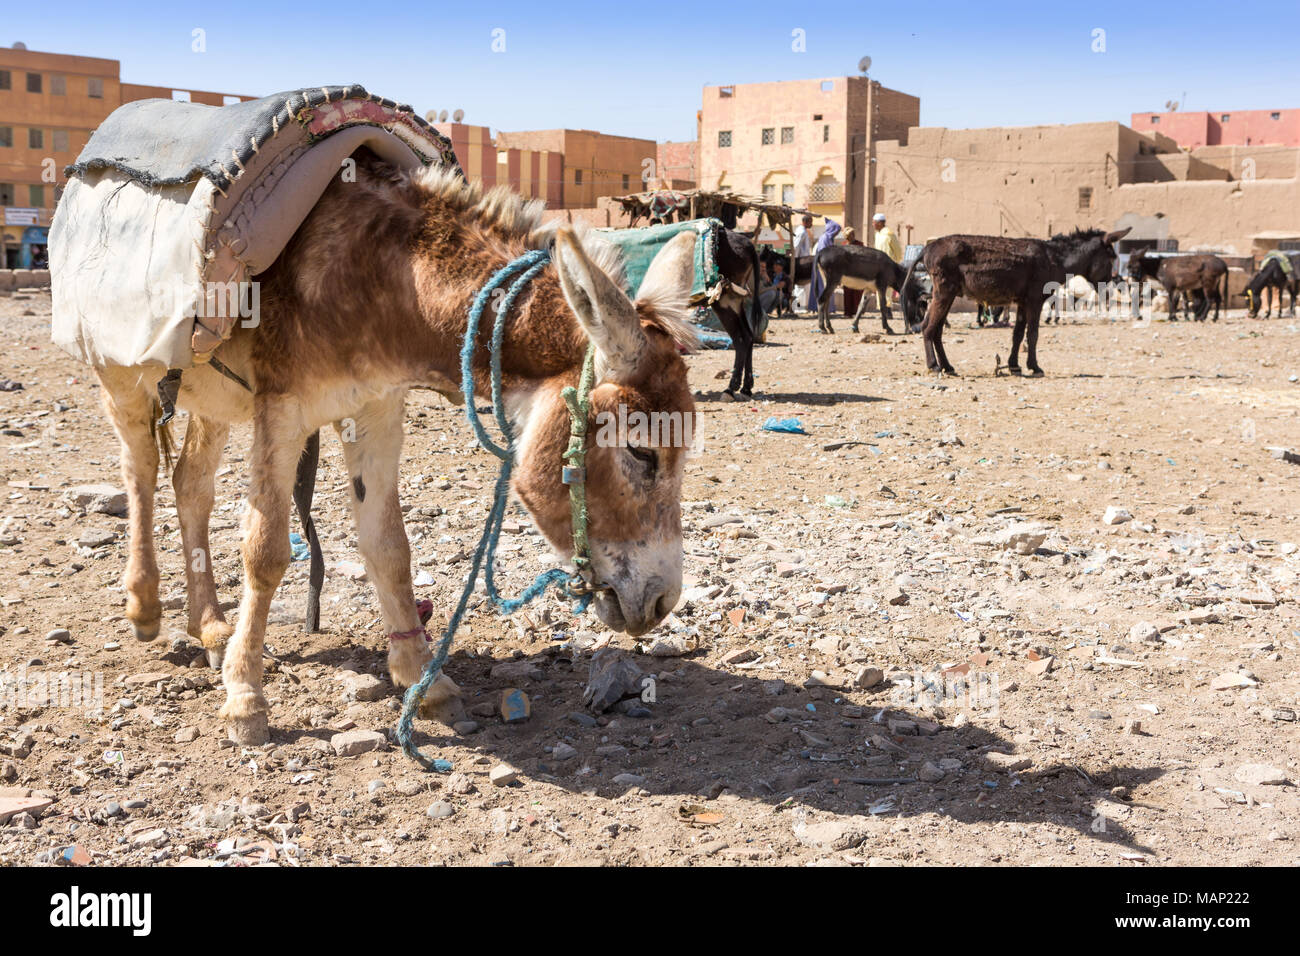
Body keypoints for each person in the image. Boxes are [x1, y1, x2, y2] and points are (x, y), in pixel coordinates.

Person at [808, 219, 841, 330]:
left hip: (827, 267)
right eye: (836, 231)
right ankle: (822, 316)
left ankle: (825, 315)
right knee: (824, 290)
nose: (836, 233)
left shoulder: (828, 238)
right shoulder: (825, 238)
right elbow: (826, 256)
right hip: (825, 267)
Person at [792, 214, 814, 311]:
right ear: (805, 222)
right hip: (801, 262)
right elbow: (796, 247)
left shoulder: (804, 231)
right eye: (810, 222)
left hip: (804, 262)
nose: (811, 224)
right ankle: (798, 307)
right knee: (800, 286)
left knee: (804, 286)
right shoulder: (801, 232)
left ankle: (802, 307)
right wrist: (795, 262)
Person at [841, 226, 864, 319]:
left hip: (857, 271)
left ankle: (857, 312)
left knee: (857, 292)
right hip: (847, 272)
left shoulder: (859, 244)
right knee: (847, 292)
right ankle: (848, 313)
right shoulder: (844, 245)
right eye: (850, 235)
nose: (852, 236)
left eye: (853, 234)